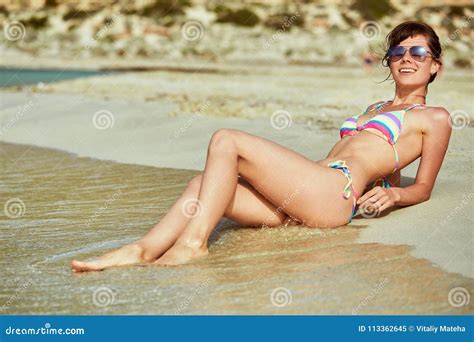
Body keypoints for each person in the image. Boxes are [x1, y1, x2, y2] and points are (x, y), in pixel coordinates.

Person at [71, 21, 451, 271]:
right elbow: (388, 165)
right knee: (200, 185)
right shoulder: (374, 109)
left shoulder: (435, 118)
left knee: (227, 140)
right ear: (388, 62)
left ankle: (194, 242)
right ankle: (143, 249)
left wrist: (396, 198)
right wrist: (386, 184)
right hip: (314, 189)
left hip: (334, 193)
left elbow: (424, 187)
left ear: (435, 65)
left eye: (417, 53)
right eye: (398, 53)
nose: (406, 60)